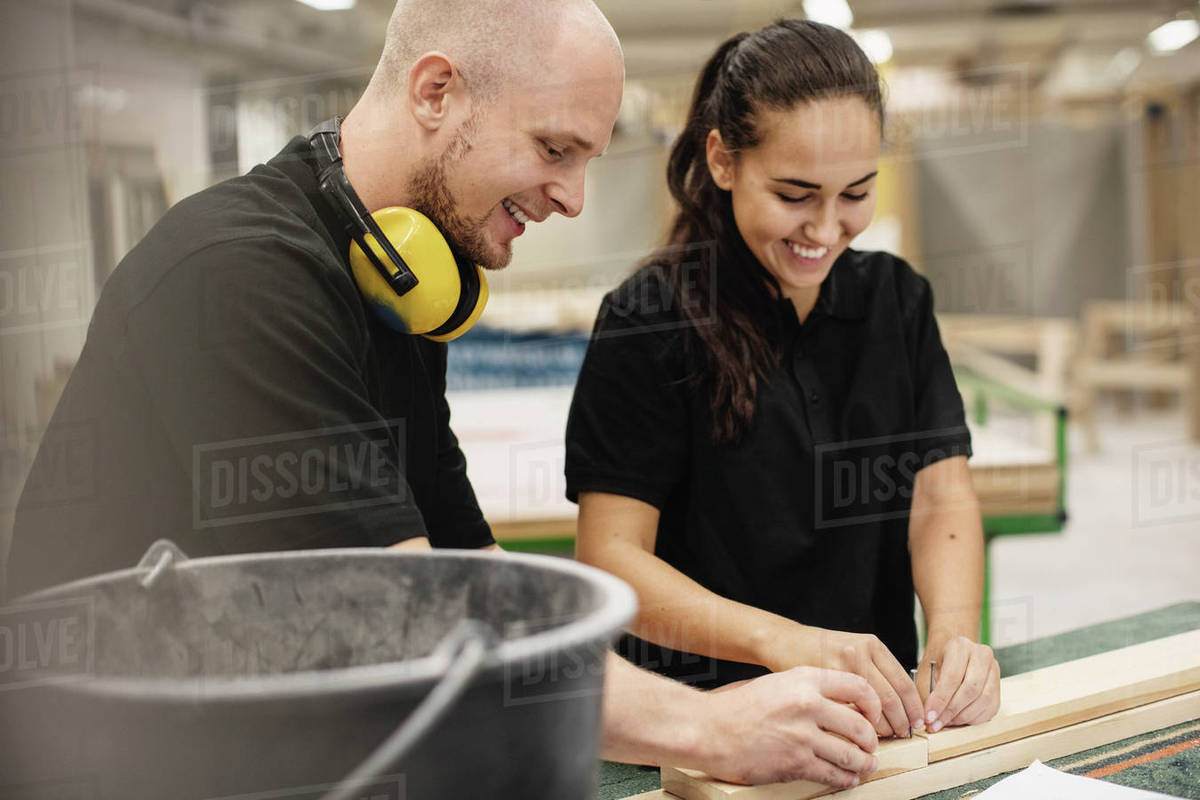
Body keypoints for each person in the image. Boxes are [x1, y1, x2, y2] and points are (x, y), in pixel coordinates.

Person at [5, 1, 883, 789]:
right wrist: (702, 724)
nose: (574, 199)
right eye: (553, 150)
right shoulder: (238, 276)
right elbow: (406, 614)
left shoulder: (398, 284)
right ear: (435, 92)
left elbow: (474, 582)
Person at [566, 18, 1002, 742]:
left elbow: (941, 491)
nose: (826, 230)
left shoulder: (897, 299)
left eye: (857, 194)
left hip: (875, 724)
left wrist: (954, 637)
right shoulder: (649, 319)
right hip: (703, 728)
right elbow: (612, 561)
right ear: (723, 160)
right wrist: (784, 642)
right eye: (796, 195)